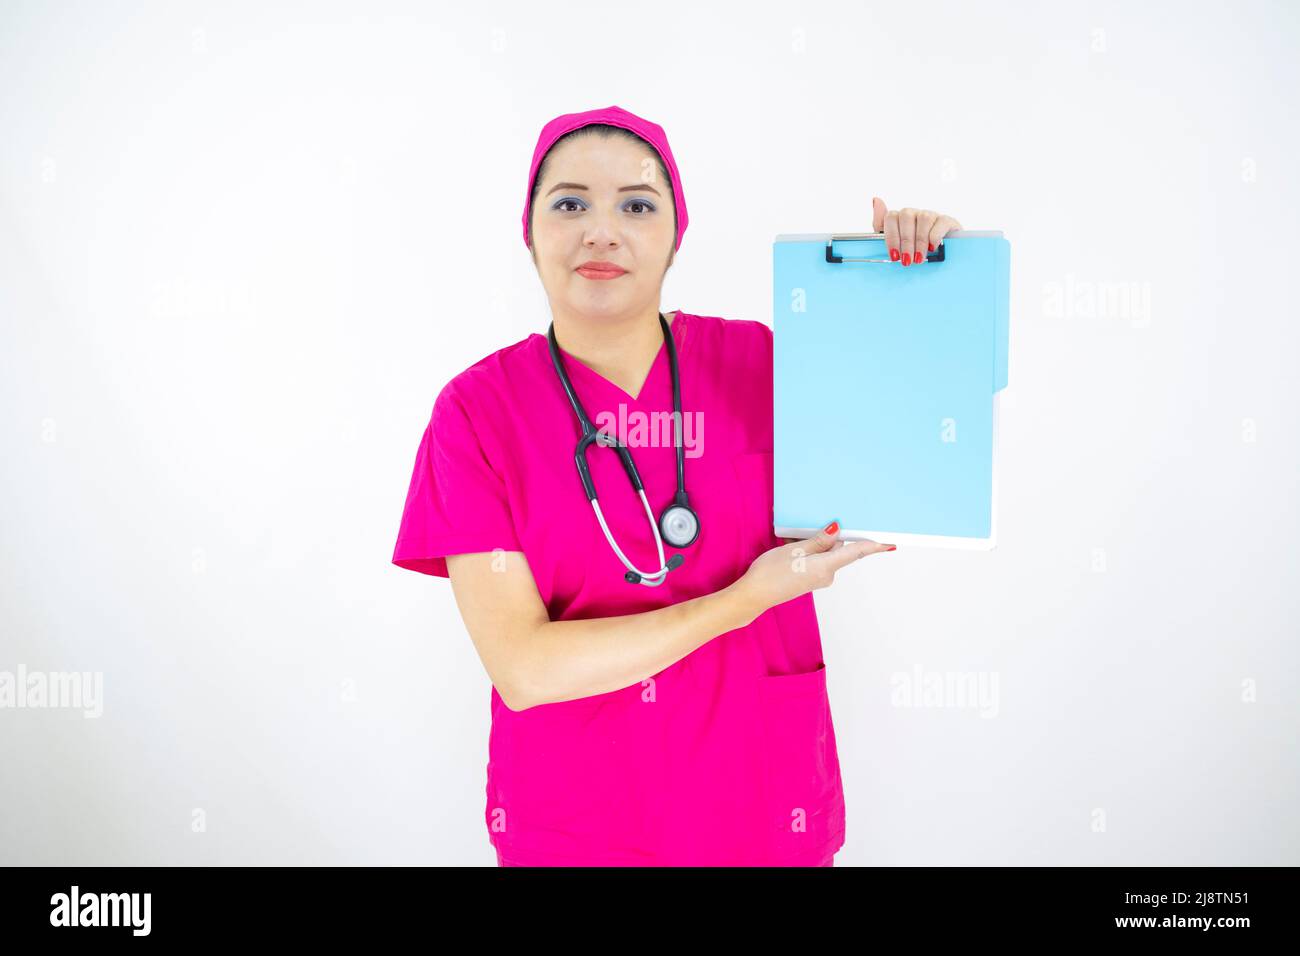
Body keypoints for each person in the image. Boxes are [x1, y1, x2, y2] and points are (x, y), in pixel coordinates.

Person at [392, 105, 964, 867]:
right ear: (528, 232)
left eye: (636, 204)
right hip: (580, 822)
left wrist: (924, 285)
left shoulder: (762, 366)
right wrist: (743, 601)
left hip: (763, 805)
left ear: (676, 233)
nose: (602, 230)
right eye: (569, 203)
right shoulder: (476, 414)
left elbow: (926, 439)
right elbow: (524, 670)